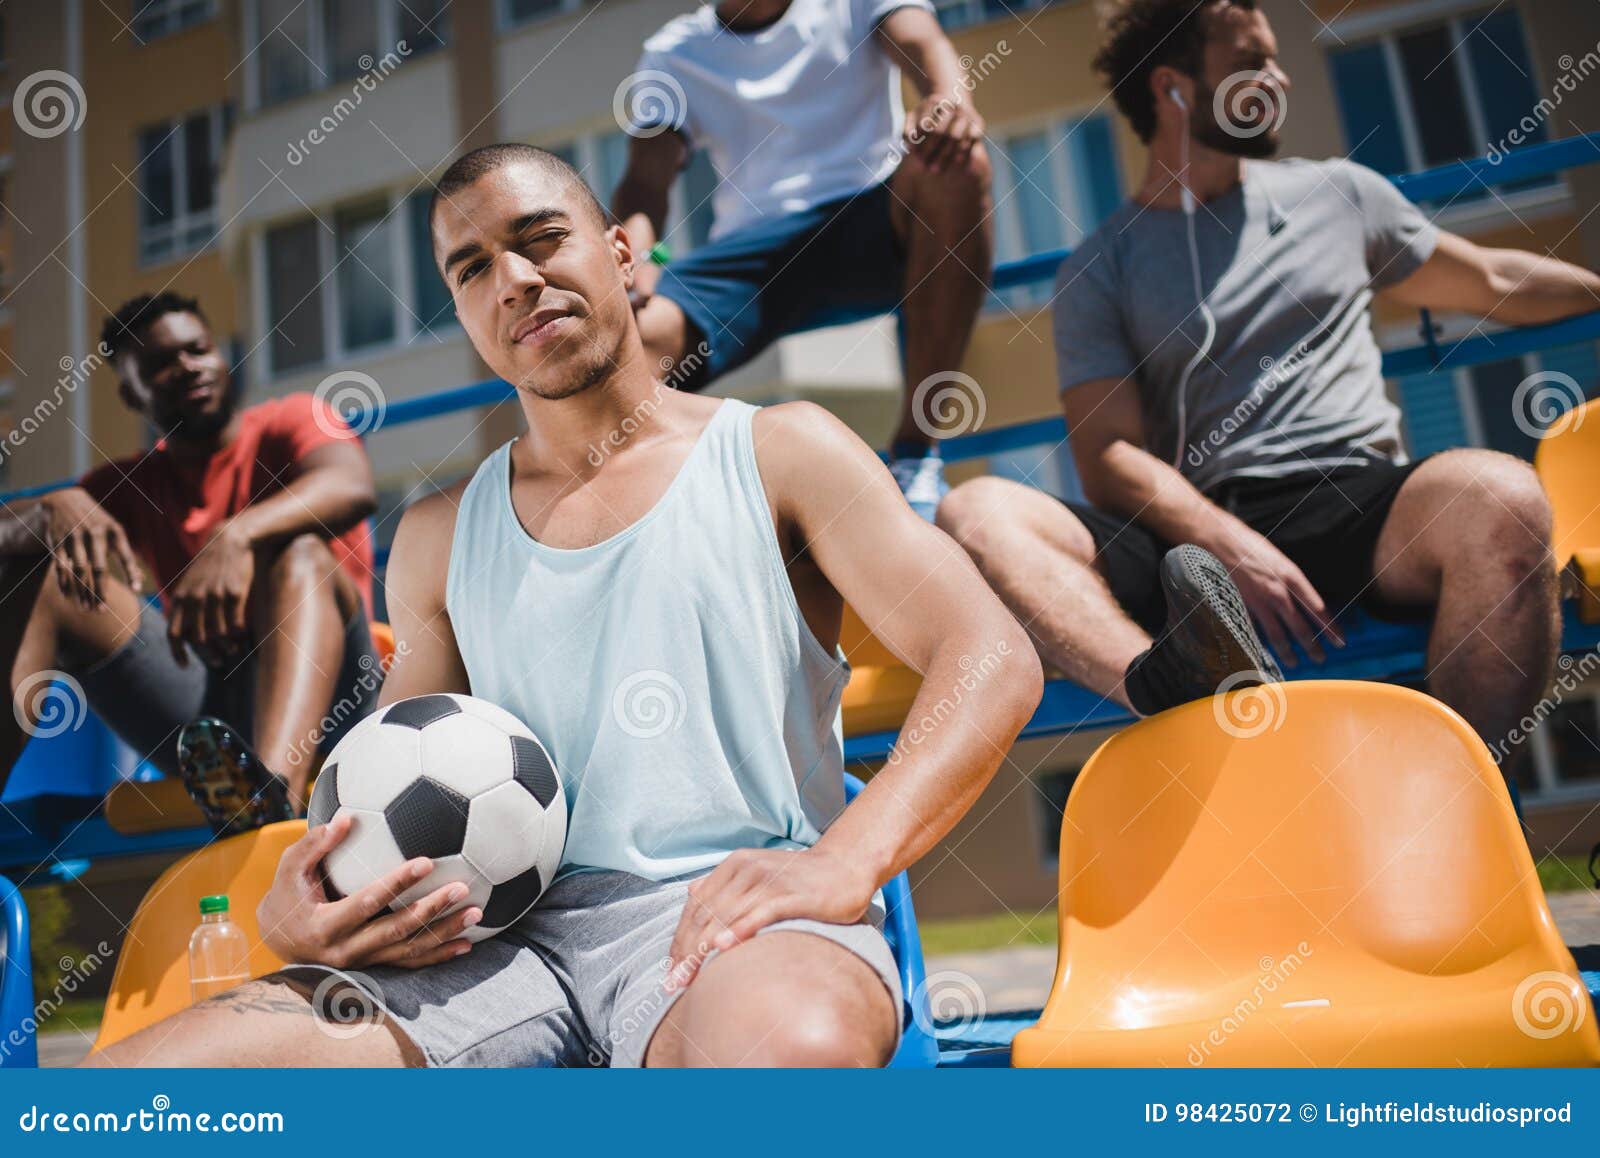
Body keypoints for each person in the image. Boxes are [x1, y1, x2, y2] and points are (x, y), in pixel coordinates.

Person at [86, 144, 1043, 1069]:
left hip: (731, 917)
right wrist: (313, 892)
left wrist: (845, 861)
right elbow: (391, 772)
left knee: (789, 1058)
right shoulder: (439, 533)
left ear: (623, 254)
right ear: (463, 311)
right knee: (121, 1101)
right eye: (470, 269)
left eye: (540, 238)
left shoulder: (782, 451)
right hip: (481, 946)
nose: (512, 279)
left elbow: (989, 653)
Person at [937, 0, 1600, 748]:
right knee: (976, 513)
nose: (1277, 78)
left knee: (1503, 497)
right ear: (1173, 89)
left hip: (1354, 506)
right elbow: (1107, 456)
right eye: (1251, 62)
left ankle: (1455, 811)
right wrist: (1227, 544)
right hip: (1187, 543)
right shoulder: (1101, 265)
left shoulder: (1341, 195)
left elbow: (1489, 279)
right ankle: (1164, 683)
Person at [0, 293, 381, 815]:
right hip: (209, 717)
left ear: (221, 357)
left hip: (335, 696)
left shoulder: (292, 418)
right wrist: (54, 505)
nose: (186, 368)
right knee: (42, 570)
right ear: (131, 397)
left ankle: (269, 807)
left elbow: (351, 485)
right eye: (158, 366)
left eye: (196, 350)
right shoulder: (132, 483)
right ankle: (246, 798)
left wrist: (236, 535)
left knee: (299, 552)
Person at [613, 0, 993, 518]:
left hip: (872, 219)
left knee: (958, 166)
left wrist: (948, 98)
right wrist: (636, 254)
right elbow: (645, 182)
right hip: (755, 258)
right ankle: (667, 509)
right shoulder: (673, 52)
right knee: (625, 339)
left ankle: (914, 454)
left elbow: (925, 45)